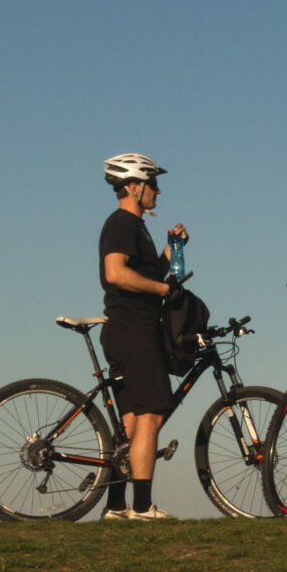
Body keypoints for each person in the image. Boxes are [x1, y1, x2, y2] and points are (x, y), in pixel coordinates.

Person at [98, 153, 185, 521]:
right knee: (149, 416)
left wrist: (172, 249)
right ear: (134, 187)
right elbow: (116, 274)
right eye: (152, 184)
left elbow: (149, 274)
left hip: (129, 329)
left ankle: (116, 507)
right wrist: (162, 291)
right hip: (133, 331)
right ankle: (143, 506)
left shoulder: (136, 228)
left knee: (133, 421)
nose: (158, 191)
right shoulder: (122, 223)